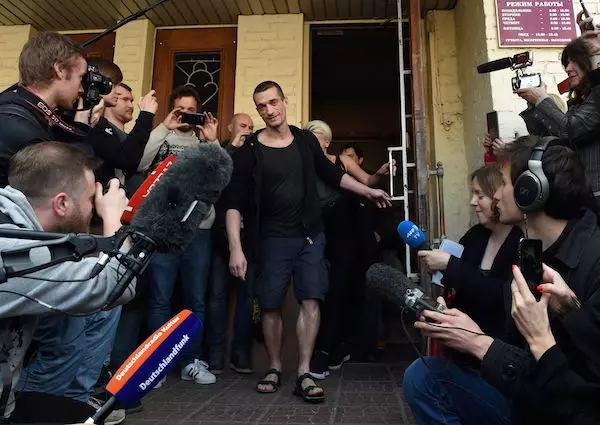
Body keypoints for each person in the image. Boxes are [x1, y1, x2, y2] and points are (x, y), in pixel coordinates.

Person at [403, 135, 600, 425]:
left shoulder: (593, 258)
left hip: (566, 408)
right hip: (529, 399)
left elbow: (579, 398)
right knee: (423, 376)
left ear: (530, 191)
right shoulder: (528, 256)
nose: (495, 196)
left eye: (504, 183)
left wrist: (482, 345)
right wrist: (470, 336)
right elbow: (520, 366)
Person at [224, 81, 391, 403]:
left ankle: (304, 371)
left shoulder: (304, 142)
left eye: (274, 102)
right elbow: (234, 202)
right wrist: (236, 247)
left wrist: (368, 190)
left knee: (312, 299)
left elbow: (332, 176)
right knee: (270, 304)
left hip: (310, 235)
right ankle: (274, 367)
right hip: (272, 238)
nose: (269, 110)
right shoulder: (249, 152)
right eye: (262, 106)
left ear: (285, 102)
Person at [0, 142, 133, 424]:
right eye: (88, 200)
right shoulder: (12, 248)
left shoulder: (14, 225)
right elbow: (117, 283)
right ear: (61, 203)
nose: (93, 210)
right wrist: (115, 219)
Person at [139, 85, 220, 386]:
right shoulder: (163, 137)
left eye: (191, 109)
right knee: (159, 299)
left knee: (195, 300)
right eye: (180, 109)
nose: (186, 115)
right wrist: (163, 126)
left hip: (197, 230)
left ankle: (191, 360)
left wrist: (212, 143)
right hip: (164, 228)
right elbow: (139, 162)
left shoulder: (204, 143)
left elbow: (220, 177)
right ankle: (155, 364)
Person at [303, 120, 391, 378]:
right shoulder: (305, 163)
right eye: (306, 137)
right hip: (318, 229)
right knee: (321, 289)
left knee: (339, 288)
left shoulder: (341, 160)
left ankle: (327, 351)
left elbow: (368, 180)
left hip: (345, 229)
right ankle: (328, 349)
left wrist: (381, 173)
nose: (310, 142)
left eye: (315, 137)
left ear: (327, 142)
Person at [418, 165, 522, 347]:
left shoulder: (520, 242)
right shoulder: (475, 235)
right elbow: (459, 286)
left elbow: (502, 297)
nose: (473, 202)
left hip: (498, 349)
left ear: (498, 196)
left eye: (480, 195)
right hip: (460, 349)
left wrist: (450, 265)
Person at [0, 31, 102, 186]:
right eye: (80, 77)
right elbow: (60, 183)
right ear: (60, 69)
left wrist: (81, 126)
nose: (81, 89)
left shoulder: (23, 109)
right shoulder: (19, 127)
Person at [207, 113, 255, 375]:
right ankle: (214, 354)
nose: (247, 130)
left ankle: (241, 354)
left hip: (250, 236)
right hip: (219, 235)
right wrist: (233, 147)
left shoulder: (256, 153)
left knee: (248, 297)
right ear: (230, 127)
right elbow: (215, 178)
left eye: (250, 127)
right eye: (242, 126)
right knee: (216, 296)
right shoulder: (223, 150)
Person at [83, 58, 158, 186]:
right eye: (114, 84)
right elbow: (126, 160)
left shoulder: (101, 123)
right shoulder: (87, 119)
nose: (117, 91)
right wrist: (146, 115)